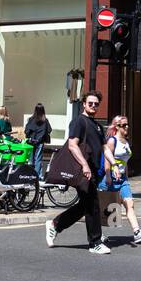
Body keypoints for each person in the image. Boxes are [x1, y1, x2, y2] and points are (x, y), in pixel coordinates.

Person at [45, 89, 109, 255]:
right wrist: (85, 165)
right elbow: (73, 145)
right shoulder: (79, 122)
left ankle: (55, 225)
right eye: (90, 103)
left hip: (94, 171)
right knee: (92, 204)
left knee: (84, 206)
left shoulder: (98, 126)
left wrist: (114, 165)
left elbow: (105, 148)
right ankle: (95, 242)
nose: (93, 106)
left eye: (96, 104)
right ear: (84, 104)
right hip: (84, 171)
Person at [101, 116, 141, 246]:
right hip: (110, 178)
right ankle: (98, 234)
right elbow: (107, 159)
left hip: (122, 179)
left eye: (127, 124)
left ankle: (137, 232)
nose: (127, 127)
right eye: (124, 125)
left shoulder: (126, 141)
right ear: (117, 127)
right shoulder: (112, 141)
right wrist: (108, 176)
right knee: (106, 208)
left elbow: (125, 162)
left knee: (129, 204)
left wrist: (127, 178)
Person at [24, 103, 52, 178]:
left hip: (31, 142)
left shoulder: (31, 119)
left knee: (30, 160)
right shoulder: (45, 120)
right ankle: (37, 176)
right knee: (38, 159)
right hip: (40, 142)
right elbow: (49, 130)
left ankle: (30, 175)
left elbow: (26, 131)